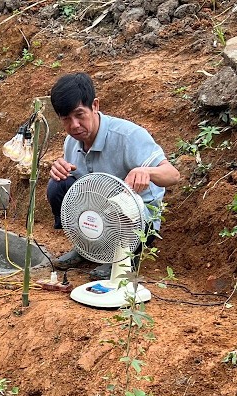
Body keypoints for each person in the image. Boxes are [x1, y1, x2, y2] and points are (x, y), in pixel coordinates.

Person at [46, 72, 180, 280]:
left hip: (137, 221)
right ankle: (84, 246)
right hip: (99, 214)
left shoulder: (128, 136)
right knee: (58, 185)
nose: (74, 125)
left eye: (79, 115)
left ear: (95, 106)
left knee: (121, 202)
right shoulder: (71, 141)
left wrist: (146, 171)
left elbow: (173, 175)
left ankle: (125, 257)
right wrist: (60, 170)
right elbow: (76, 187)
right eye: (66, 119)